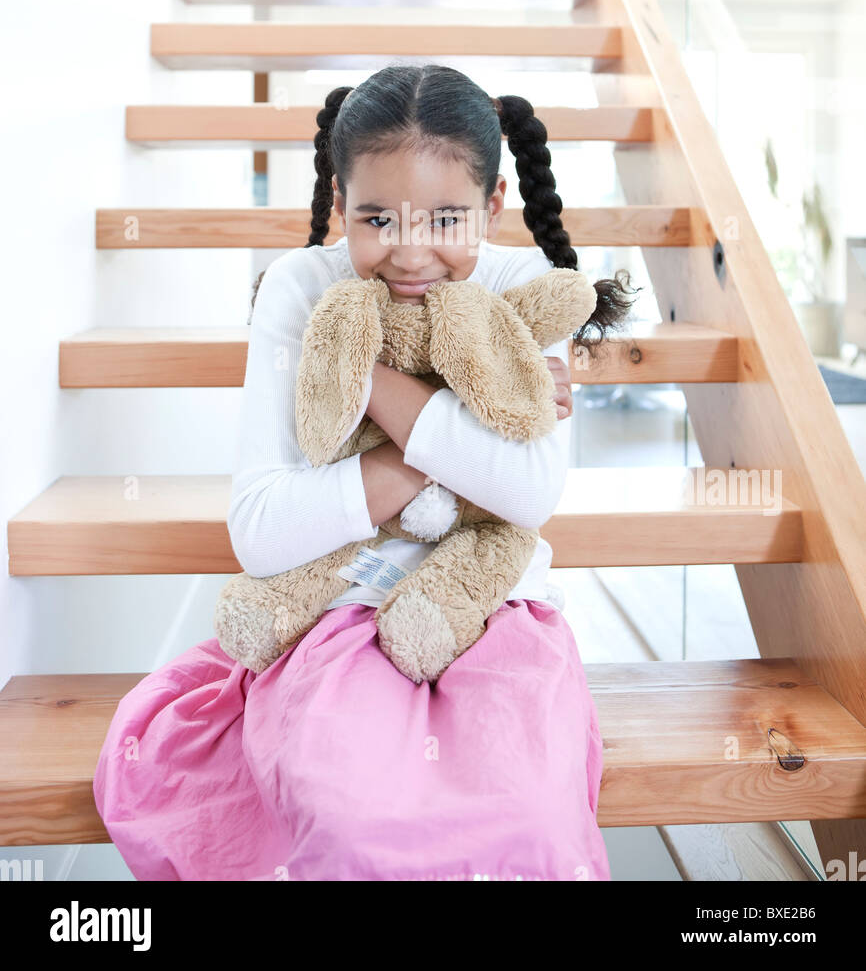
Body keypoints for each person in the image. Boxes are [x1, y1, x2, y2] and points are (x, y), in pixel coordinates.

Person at [93, 63, 637, 881]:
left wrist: (369, 394)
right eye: (377, 218)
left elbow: (527, 495)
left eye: (446, 217)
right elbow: (263, 528)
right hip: (335, 599)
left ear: (493, 206)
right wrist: (451, 418)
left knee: (524, 813)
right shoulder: (300, 288)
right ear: (340, 203)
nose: (409, 251)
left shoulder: (524, 287)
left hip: (489, 600)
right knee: (350, 817)